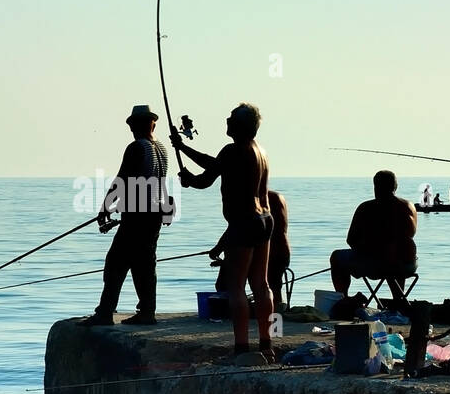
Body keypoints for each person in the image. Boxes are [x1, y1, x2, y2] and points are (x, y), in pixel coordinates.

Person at [172, 103, 274, 359]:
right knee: (261, 285)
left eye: (230, 118)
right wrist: (185, 156)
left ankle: (241, 348)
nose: (226, 120)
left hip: (245, 222)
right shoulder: (260, 151)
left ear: (239, 125)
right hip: (265, 219)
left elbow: (207, 177)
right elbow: (214, 168)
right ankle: (266, 344)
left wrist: (187, 170)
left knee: (236, 286)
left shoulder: (232, 150)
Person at [79, 104, 170, 326]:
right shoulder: (162, 148)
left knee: (115, 263)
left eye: (134, 124)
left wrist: (105, 207)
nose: (132, 129)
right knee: (145, 264)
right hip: (155, 212)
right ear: (153, 123)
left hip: (138, 215)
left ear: (138, 125)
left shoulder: (136, 148)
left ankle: (105, 312)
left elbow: (122, 180)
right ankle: (147, 312)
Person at [330, 171, 417, 303]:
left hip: (379, 265)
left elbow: (351, 239)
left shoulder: (366, 208)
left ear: (375, 186)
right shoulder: (409, 206)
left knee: (336, 257)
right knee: (394, 256)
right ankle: (399, 298)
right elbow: (407, 236)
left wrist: (366, 250)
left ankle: (342, 299)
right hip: (409, 264)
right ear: (395, 186)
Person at [210, 188, 291, 317]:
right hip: (282, 253)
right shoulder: (277, 197)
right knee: (273, 287)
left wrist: (219, 249)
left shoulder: (254, 201)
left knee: (224, 283)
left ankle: (237, 312)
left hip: (266, 253)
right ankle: (275, 318)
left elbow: (236, 228)